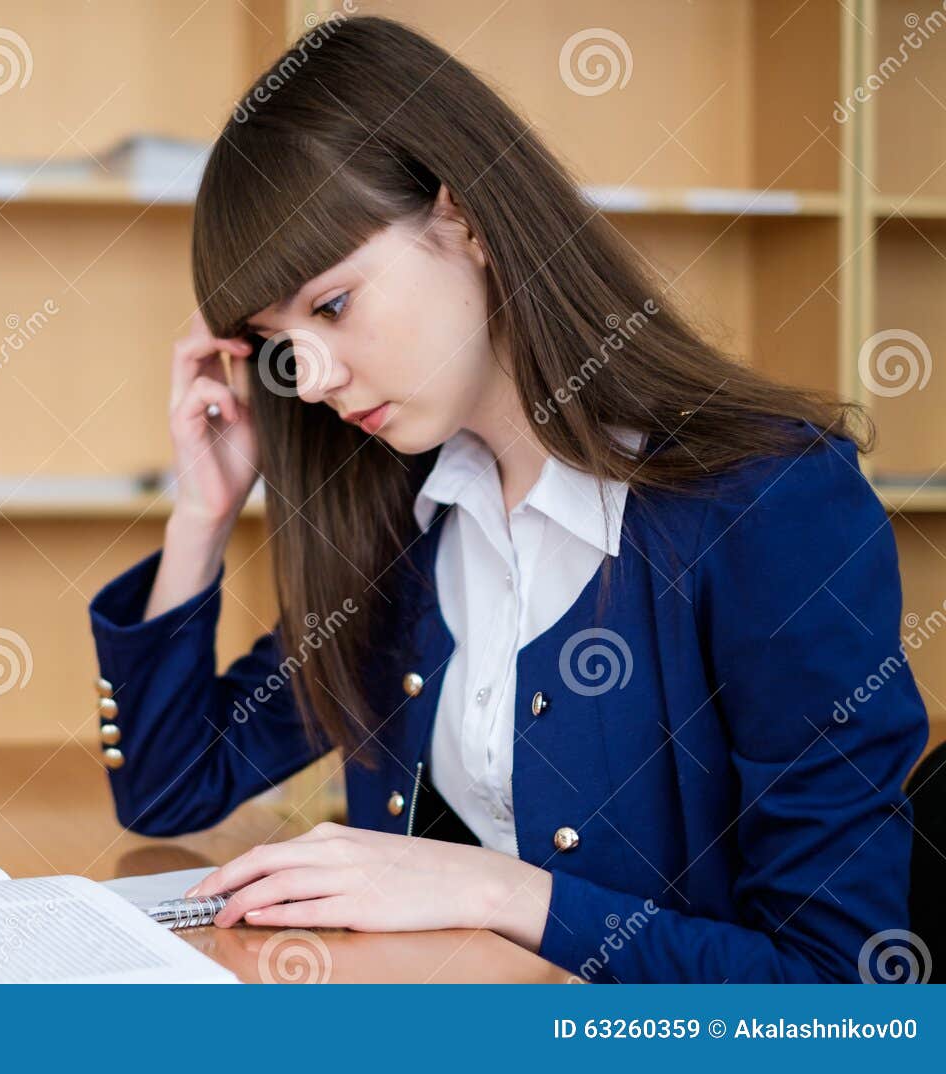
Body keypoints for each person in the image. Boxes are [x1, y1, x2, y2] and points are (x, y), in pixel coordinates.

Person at [85, 15, 927, 983]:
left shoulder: (769, 504)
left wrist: (496, 893)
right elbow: (170, 786)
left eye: (329, 305)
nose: (306, 376)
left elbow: (843, 999)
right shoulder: (405, 513)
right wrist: (201, 514)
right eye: (278, 342)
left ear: (467, 221)